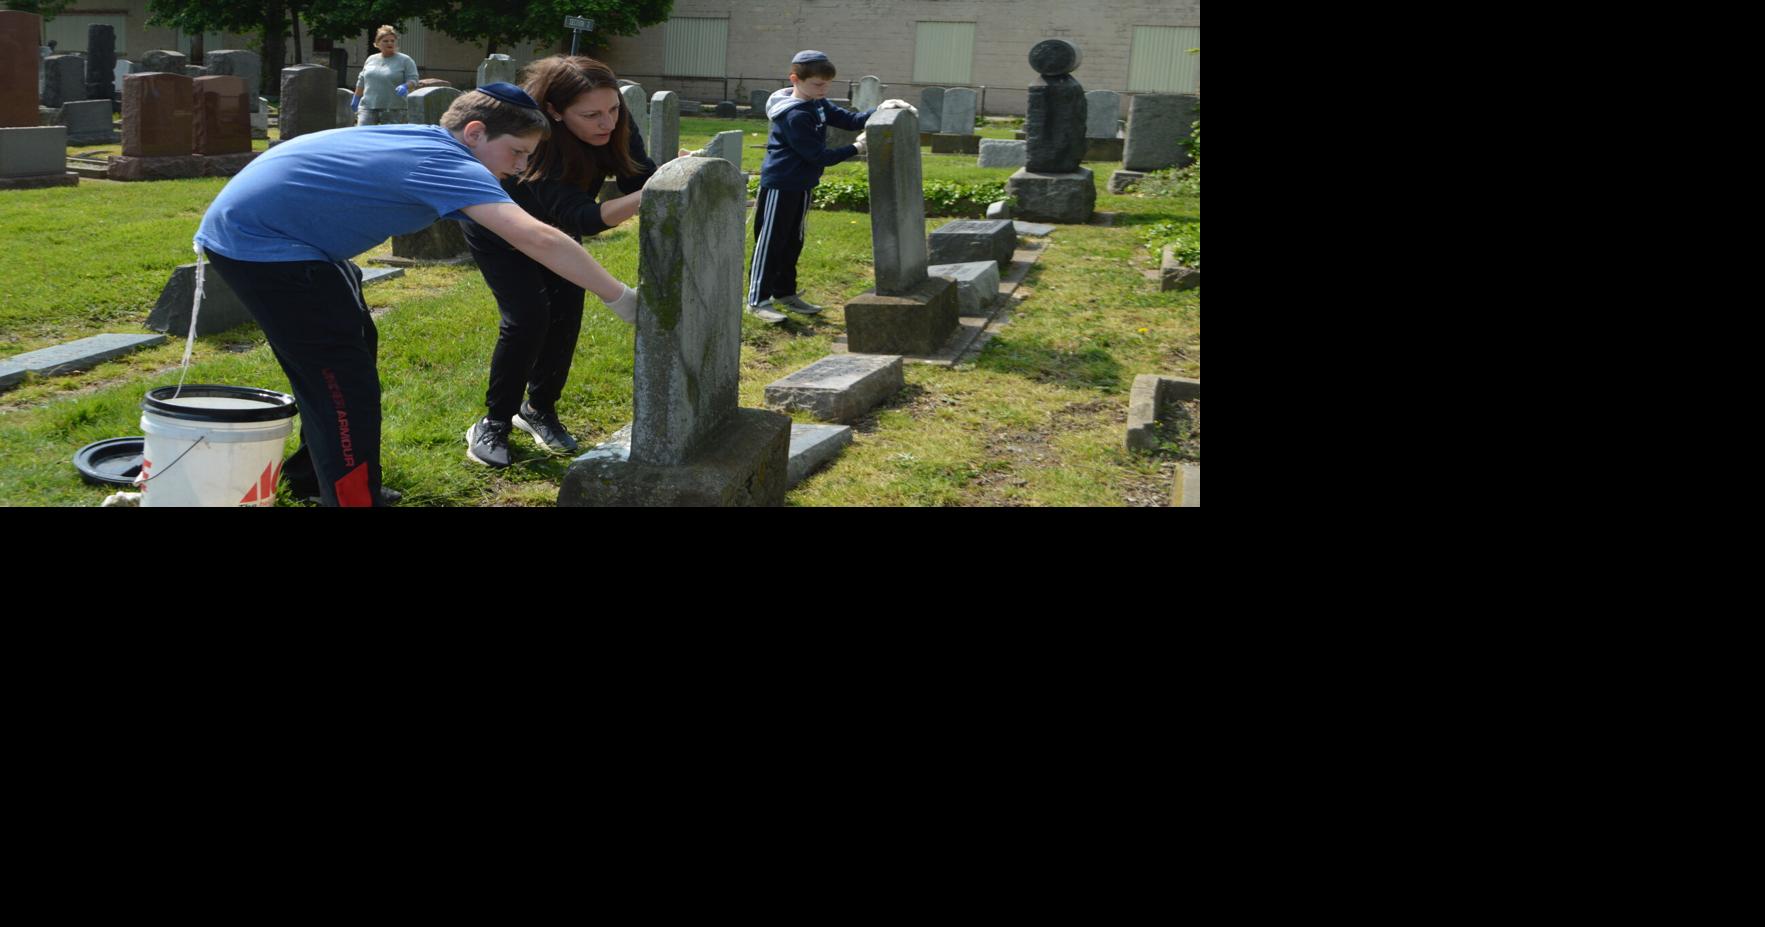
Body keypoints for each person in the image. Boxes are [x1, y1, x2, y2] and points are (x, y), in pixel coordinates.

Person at [194, 84, 639, 506]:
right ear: (475, 132)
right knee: (342, 386)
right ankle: (353, 498)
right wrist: (620, 298)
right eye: (517, 152)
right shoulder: (451, 163)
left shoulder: (425, 140)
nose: (521, 167)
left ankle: (315, 478)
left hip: (283, 241)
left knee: (351, 352)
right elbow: (538, 238)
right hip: (264, 248)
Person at [459, 56, 655, 467]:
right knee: (528, 317)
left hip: (560, 227)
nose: (607, 122)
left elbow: (639, 177)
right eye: (591, 115)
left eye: (614, 109)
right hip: (503, 226)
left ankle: (539, 409)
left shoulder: (612, 118)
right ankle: (494, 422)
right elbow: (584, 216)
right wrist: (656, 192)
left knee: (565, 315)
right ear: (554, 111)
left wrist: (670, 180)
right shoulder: (538, 140)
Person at [747, 51, 915, 323]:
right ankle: (757, 301)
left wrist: (883, 108)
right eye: (817, 84)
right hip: (781, 184)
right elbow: (818, 156)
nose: (823, 89)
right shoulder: (794, 116)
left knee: (793, 242)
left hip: (802, 184)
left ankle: (784, 293)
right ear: (795, 80)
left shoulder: (818, 103)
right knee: (771, 242)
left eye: (826, 84)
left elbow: (851, 120)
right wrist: (857, 147)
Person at [351, 25, 419, 126]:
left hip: (394, 108)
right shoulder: (371, 59)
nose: (390, 43)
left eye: (392, 40)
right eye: (385, 41)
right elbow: (362, 81)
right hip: (368, 106)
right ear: (377, 43)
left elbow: (414, 79)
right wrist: (356, 98)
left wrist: (405, 86)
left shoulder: (405, 60)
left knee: (390, 139)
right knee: (364, 136)